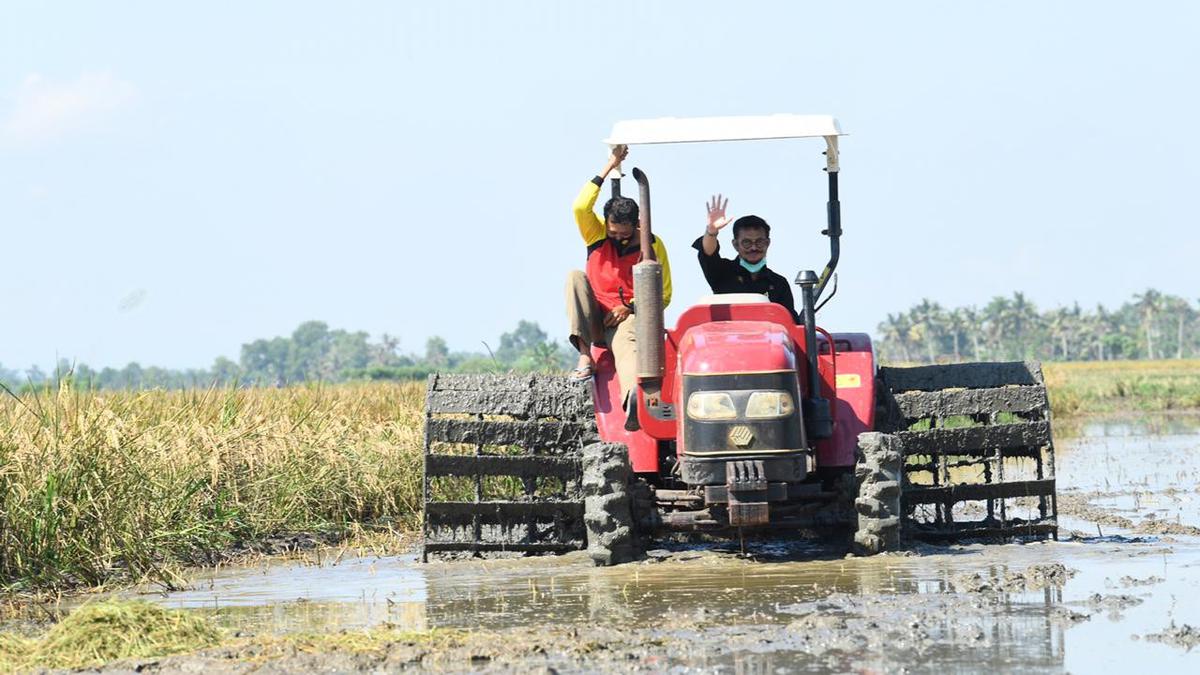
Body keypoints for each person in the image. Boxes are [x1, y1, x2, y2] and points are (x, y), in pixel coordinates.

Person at [564, 145, 673, 411]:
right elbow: (580, 206)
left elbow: (664, 295)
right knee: (574, 277)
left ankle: (633, 399)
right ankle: (584, 356)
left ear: (637, 224)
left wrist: (629, 307)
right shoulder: (596, 235)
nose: (618, 238)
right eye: (613, 232)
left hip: (623, 319)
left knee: (627, 343)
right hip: (594, 316)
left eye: (624, 234)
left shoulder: (653, 245)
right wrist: (609, 166)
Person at [692, 195, 799, 323]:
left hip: (767, 341)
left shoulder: (779, 283)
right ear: (735, 244)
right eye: (747, 243)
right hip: (726, 340)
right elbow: (708, 253)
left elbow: (790, 325)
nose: (754, 248)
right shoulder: (722, 272)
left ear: (768, 243)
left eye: (759, 242)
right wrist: (712, 231)